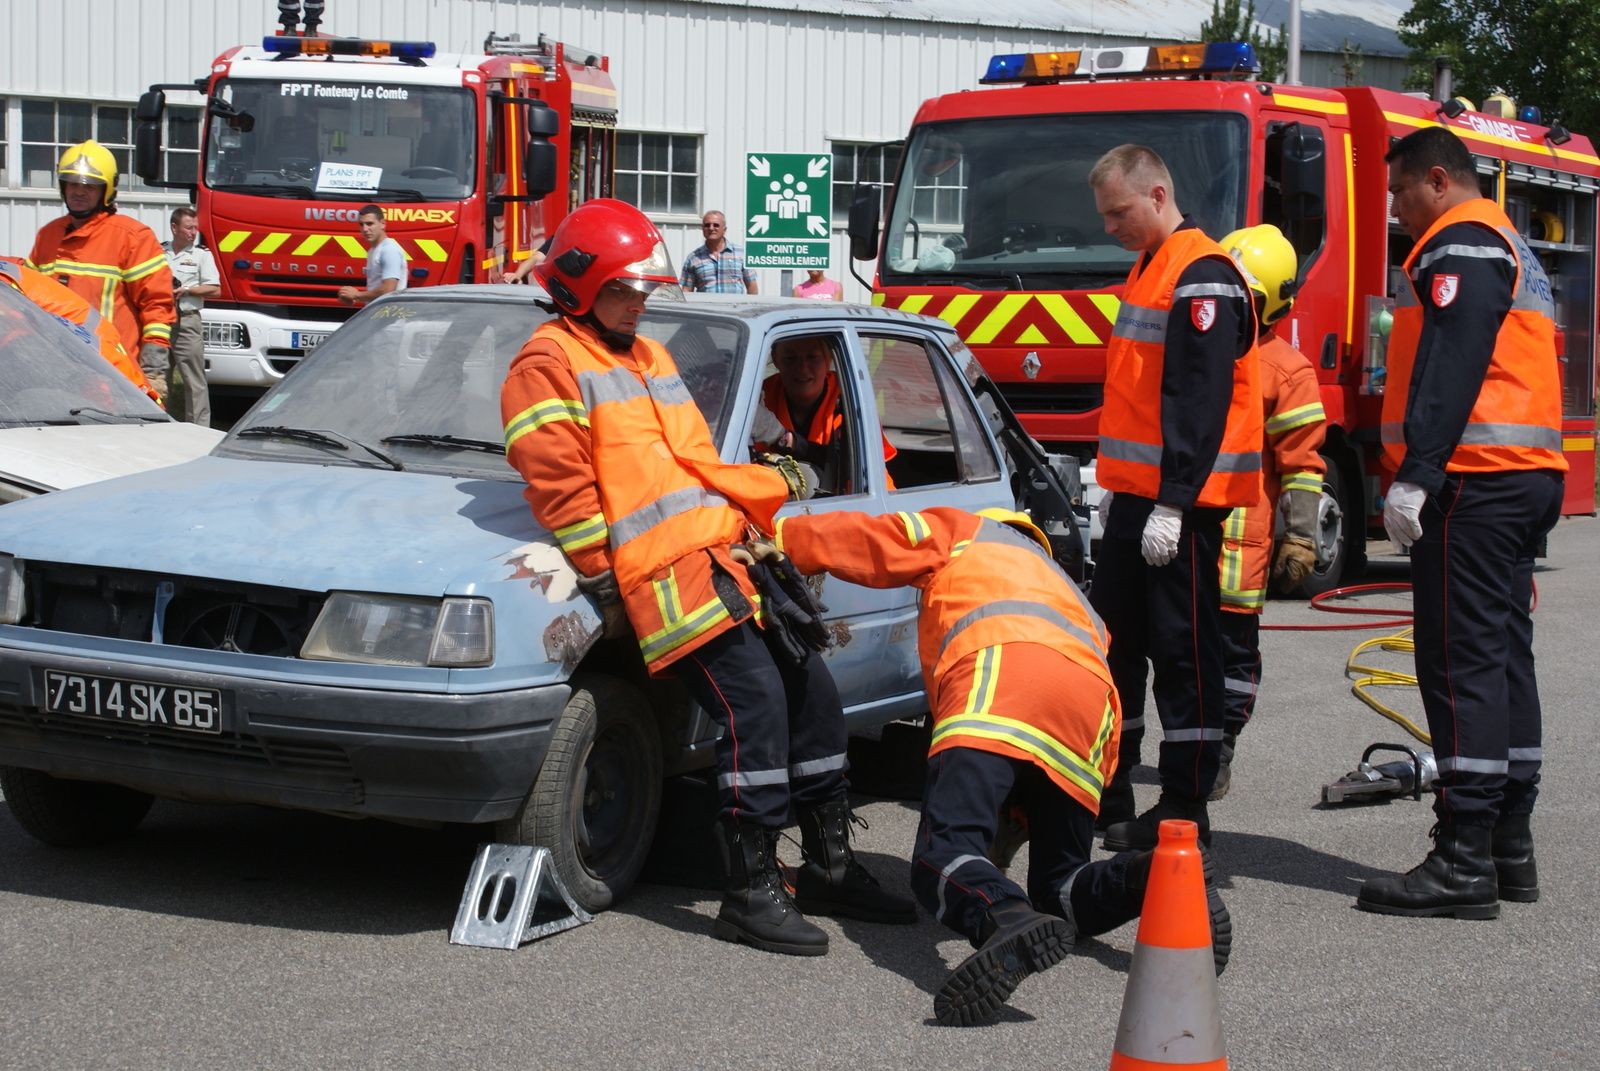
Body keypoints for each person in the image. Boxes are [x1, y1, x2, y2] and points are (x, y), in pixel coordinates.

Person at [499, 198, 913, 956]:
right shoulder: (548, 361)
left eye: (645, 291)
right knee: (754, 708)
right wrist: (605, 574)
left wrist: (760, 508)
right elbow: (558, 483)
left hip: (726, 555)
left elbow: (693, 464)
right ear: (579, 285)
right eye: (627, 291)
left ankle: (829, 862)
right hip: (664, 577)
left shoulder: (647, 356)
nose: (641, 303)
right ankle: (751, 891)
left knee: (811, 694)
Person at [764, 506, 1229, 1025]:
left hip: (1001, 669)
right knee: (1061, 890)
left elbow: (874, 539)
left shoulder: (966, 531)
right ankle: (1156, 874)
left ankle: (1002, 916)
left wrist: (778, 534)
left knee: (943, 853)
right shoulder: (1073, 595)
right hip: (1091, 712)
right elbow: (1066, 738)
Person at [1356, 127, 1566, 920]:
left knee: (1459, 658)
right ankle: (1508, 842)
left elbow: (1456, 360)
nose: (1398, 211)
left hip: (1474, 484)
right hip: (1521, 477)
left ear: (1437, 180)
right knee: (1504, 655)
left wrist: (1417, 474)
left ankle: (1464, 854)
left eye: (1401, 194)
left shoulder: (1464, 242)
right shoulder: (1512, 245)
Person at [1085, 144, 1262, 850]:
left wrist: (1174, 500)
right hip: (1140, 499)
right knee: (1116, 646)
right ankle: (1111, 785)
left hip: (1180, 510)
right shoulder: (1151, 267)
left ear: (1158, 195)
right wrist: (1121, 490)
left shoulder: (1203, 275)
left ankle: (1186, 804)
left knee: (1184, 655)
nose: (1111, 227)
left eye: (1119, 212)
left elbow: (1199, 396)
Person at [1208, 225, 1327, 799]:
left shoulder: (1285, 371)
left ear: (1272, 302)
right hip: (1182, 542)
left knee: (1233, 657)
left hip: (1238, 554)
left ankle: (1220, 747)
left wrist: (1300, 537)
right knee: (1174, 657)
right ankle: (1187, 748)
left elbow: (1303, 464)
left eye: (1244, 295)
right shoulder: (1198, 349)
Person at [27, 139, 175, 402]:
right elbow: (29, 299)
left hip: (112, 376)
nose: (79, 192)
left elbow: (157, 307)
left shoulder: (132, 237)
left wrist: (154, 371)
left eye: (89, 186)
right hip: (55, 370)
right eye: (72, 183)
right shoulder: (48, 236)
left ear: (106, 190)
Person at [750, 334, 897, 492]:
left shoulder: (851, 396)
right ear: (776, 359)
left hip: (844, 506)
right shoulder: (756, 396)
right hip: (769, 502)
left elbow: (856, 468)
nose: (802, 368)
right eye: (790, 358)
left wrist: (785, 439)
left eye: (813, 357)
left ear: (829, 359)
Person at [0, 256, 157, 399]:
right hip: (60, 337)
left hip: (84, 342)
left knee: (106, 399)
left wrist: (145, 397)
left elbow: (14, 327)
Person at [162, 206, 221, 426]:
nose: (193, 232)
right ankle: (158, 423)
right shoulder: (159, 252)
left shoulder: (201, 255)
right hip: (161, 321)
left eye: (195, 228)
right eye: (189, 228)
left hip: (187, 320)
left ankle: (198, 428)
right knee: (160, 375)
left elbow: (215, 289)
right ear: (174, 227)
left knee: (194, 379)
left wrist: (187, 290)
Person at [337, 205, 407, 306]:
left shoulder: (389, 250)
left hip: (389, 314)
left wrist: (357, 295)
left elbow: (388, 289)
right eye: (361, 224)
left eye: (370, 224)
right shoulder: (373, 250)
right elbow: (375, 287)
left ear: (382, 224)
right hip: (378, 311)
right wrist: (353, 298)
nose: (365, 229)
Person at [680, 210, 758, 294]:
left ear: (724, 229)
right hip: (705, 307)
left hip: (734, 307)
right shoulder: (693, 258)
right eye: (707, 225)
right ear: (702, 229)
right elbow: (687, 290)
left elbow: (752, 286)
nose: (711, 228)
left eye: (716, 225)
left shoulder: (741, 254)